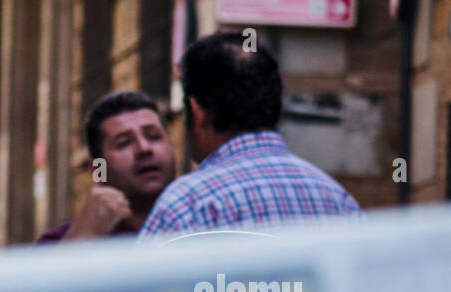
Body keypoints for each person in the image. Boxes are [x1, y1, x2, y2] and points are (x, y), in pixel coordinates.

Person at [140, 32, 361, 237]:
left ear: (197, 112)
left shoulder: (185, 205)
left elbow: (141, 278)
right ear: (277, 101)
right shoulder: (338, 200)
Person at [38, 91, 177, 243]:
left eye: (153, 136)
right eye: (124, 143)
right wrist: (87, 234)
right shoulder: (55, 247)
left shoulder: (202, 217)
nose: (144, 148)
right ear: (98, 169)